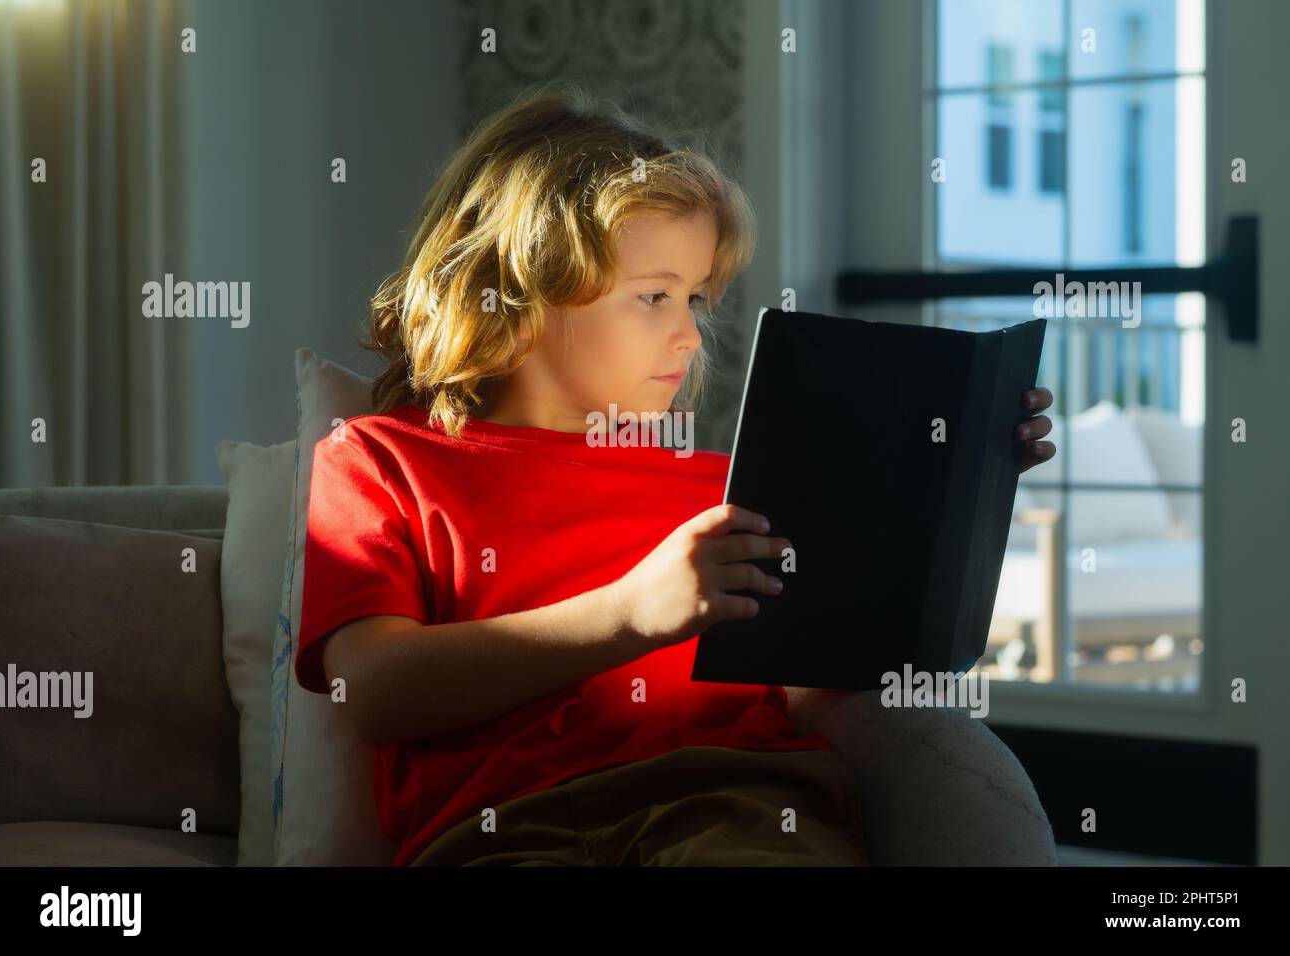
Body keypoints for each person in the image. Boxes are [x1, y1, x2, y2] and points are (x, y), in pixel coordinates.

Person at [294, 82, 1057, 867]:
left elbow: (840, 656)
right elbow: (373, 692)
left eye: (696, 299)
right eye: (654, 296)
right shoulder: (381, 461)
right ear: (520, 294)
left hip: (734, 805)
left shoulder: (738, 486)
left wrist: (965, 491)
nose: (691, 334)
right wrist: (631, 612)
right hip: (505, 833)